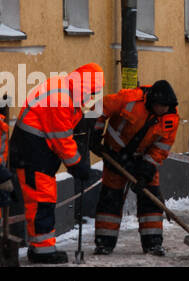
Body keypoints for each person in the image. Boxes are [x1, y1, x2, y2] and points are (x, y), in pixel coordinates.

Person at [9, 63, 103, 264]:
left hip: (35, 152)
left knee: (44, 198)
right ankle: (42, 250)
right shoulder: (60, 99)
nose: (91, 98)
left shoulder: (65, 91)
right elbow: (61, 139)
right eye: (91, 92)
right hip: (32, 153)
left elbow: (63, 134)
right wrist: (77, 165)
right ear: (84, 87)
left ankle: (41, 246)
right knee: (41, 199)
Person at [90, 80, 179, 256]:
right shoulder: (130, 99)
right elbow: (99, 108)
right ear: (152, 101)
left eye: (166, 107)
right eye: (160, 106)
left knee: (151, 200)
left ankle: (153, 243)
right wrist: (94, 133)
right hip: (115, 155)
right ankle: (104, 242)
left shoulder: (170, 119)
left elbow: (161, 149)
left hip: (143, 160)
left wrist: (146, 172)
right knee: (111, 199)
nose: (163, 110)